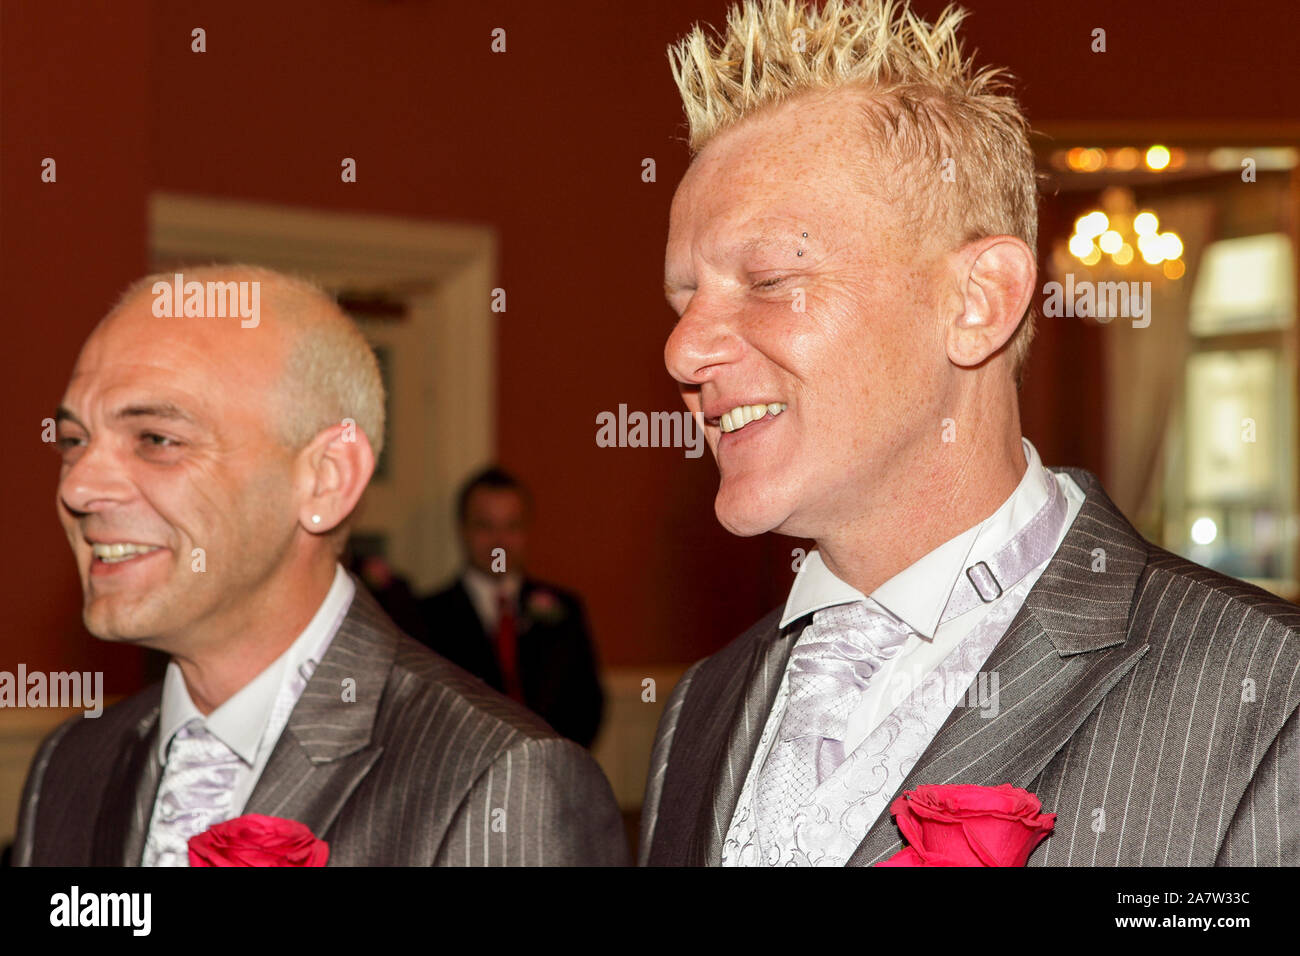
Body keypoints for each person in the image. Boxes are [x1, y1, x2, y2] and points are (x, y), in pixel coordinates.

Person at [640, 0, 1300, 866]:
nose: (683, 349)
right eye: (683, 302)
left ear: (977, 302)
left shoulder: (1265, 698)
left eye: (767, 279)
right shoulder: (703, 705)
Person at [16, 265, 627, 866]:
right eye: (74, 442)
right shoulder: (70, 766)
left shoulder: (497, 780)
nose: (80, 486)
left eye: (156, 439)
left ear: (326, 480)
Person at [419, 468, 604, 748]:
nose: (499, 542)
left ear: (527, 530)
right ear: (462, 529)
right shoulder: (426, 616)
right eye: (485, 526)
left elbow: (587, 702)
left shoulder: (565, 609)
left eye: (512, 526)